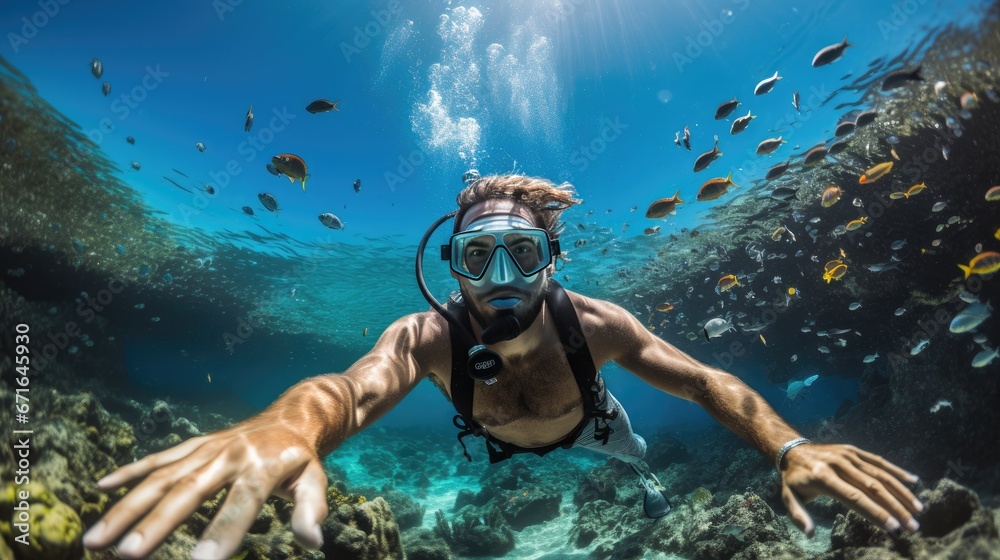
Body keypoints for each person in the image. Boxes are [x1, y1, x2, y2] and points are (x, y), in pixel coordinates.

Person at [83, 175, 924, 560]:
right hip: (500, 447)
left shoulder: (597, 324)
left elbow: (707, 381)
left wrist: (785, 446)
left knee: (632, 457)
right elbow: (348, 387)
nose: (500, 282)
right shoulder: (427, 336)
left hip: (597, 430)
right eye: (477, 258)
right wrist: (285, 424)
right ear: (450, 265)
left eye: (521, 255)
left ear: (551, 258)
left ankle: (642, 483)